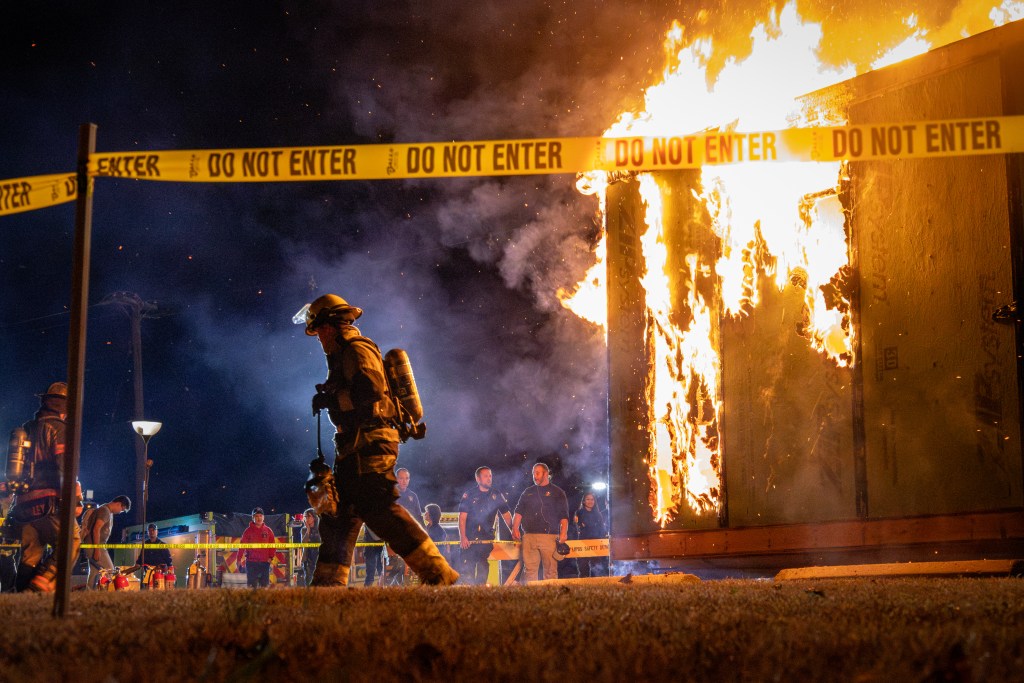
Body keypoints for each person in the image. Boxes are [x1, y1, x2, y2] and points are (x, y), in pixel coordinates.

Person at [295, 293, 457, 586]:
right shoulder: (343, 353)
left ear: (330, 326)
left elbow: (369, 393)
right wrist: (330, 397)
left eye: (318, 330)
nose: (318, 338)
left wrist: (332, 398)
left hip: (371, 442)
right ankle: (327, 585)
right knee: (338, 515)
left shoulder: (357, 350)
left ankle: (438, 575)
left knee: (379, 509)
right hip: (353, 444)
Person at [0, 382, 84, 592]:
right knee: (70, 543)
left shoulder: (26, 429)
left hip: (24, 506)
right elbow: (65, 467)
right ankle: (43, 582)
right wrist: (73, 500)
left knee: (29, 556)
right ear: (66, 406)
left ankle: (21, 599)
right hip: (50, 504)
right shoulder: (60, 429)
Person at [511, 462, 569, 583]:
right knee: (530, 571)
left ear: (546, 473)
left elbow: (564, 515)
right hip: (529, 537)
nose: (534, 476)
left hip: (549, 537)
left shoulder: (558, 492)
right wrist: (515, 528)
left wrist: (563, 533)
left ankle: (551, 598)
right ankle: (531, 599)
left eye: (537, 473)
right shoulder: (528, 491)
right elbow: (519, 511)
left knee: (550, 571)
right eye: (533, 473)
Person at [457, 466, 513, 585]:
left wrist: (514, 531)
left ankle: (480, 592)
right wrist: (463, 537)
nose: (489, 479)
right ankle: (467, 595)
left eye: (490, 476)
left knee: (483, 566)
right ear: (478, 479)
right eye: (486, 476)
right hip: (469, 539)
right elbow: (462, 518)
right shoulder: (469, 494)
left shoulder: (496, 494)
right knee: (468, 570)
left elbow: (507, 515)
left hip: (486, 538)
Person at [83, 494, 131, 589]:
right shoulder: (105, 511)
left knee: (94, 573)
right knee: (110, 571)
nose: (120, 512)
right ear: (118, 504)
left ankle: (90, 596)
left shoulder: (105, 510)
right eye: (122, 509)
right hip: (96, 546)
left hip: (90, 546)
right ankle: (108, 597)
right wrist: (97, 550)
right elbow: (96, 529)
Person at [574, 492, 608, 578]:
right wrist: (588, 526)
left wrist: (603, 540)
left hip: (596, 543)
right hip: (583, 542)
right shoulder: (579, 512)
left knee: (596, 568)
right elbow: (579, 526)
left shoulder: (598, 513)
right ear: (584, 501)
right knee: (583, 567)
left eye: (592, 499)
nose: (590, 501)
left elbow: (601, 528)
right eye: (588, 499)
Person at [240, 507, 276, 588]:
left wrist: (270, 557)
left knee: (264, 587)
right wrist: (238, 560)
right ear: (253, 518)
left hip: (264, 563)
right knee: (252, 587)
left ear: (263, 517)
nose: (259, 518)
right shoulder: (247, 531)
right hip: (251, 563)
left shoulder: (268, 531)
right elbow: (241, 546)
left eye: (260, 516)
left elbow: (272, 545)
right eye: (256, 516)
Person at [299, 509, 320, 587]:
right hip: (308, 559)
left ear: (314, 518)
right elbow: (303, 543)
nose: (306, 518)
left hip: (318, 558)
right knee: (308, 580)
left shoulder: (319, 529)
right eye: (305, 517)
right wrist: (308, 530)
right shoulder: (304, 530)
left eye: (308, 516)